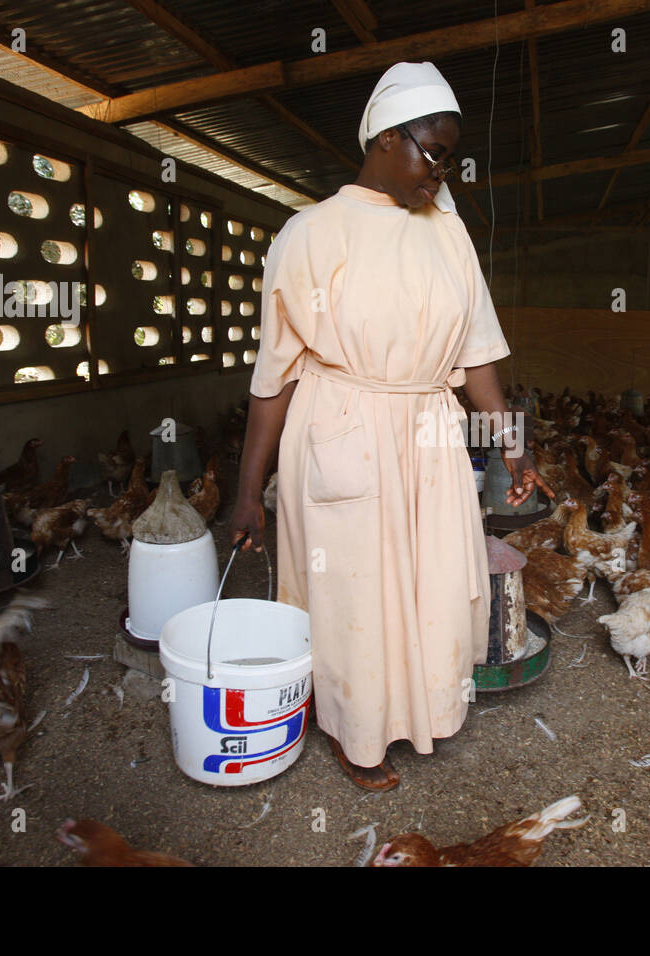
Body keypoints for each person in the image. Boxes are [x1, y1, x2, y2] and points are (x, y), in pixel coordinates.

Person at [229, 61, 553, 791]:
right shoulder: (311, 234)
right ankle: (357, 733)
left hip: (429, 434)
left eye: (451, 158)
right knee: (352, 593)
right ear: (382, 139)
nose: (441, 172)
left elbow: (475, 358)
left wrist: (512, 443)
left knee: (430, 582)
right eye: (431, 153)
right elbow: (271, 379)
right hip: (342, 425)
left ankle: (423, 710)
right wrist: (248, 492)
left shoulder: (449, 236)